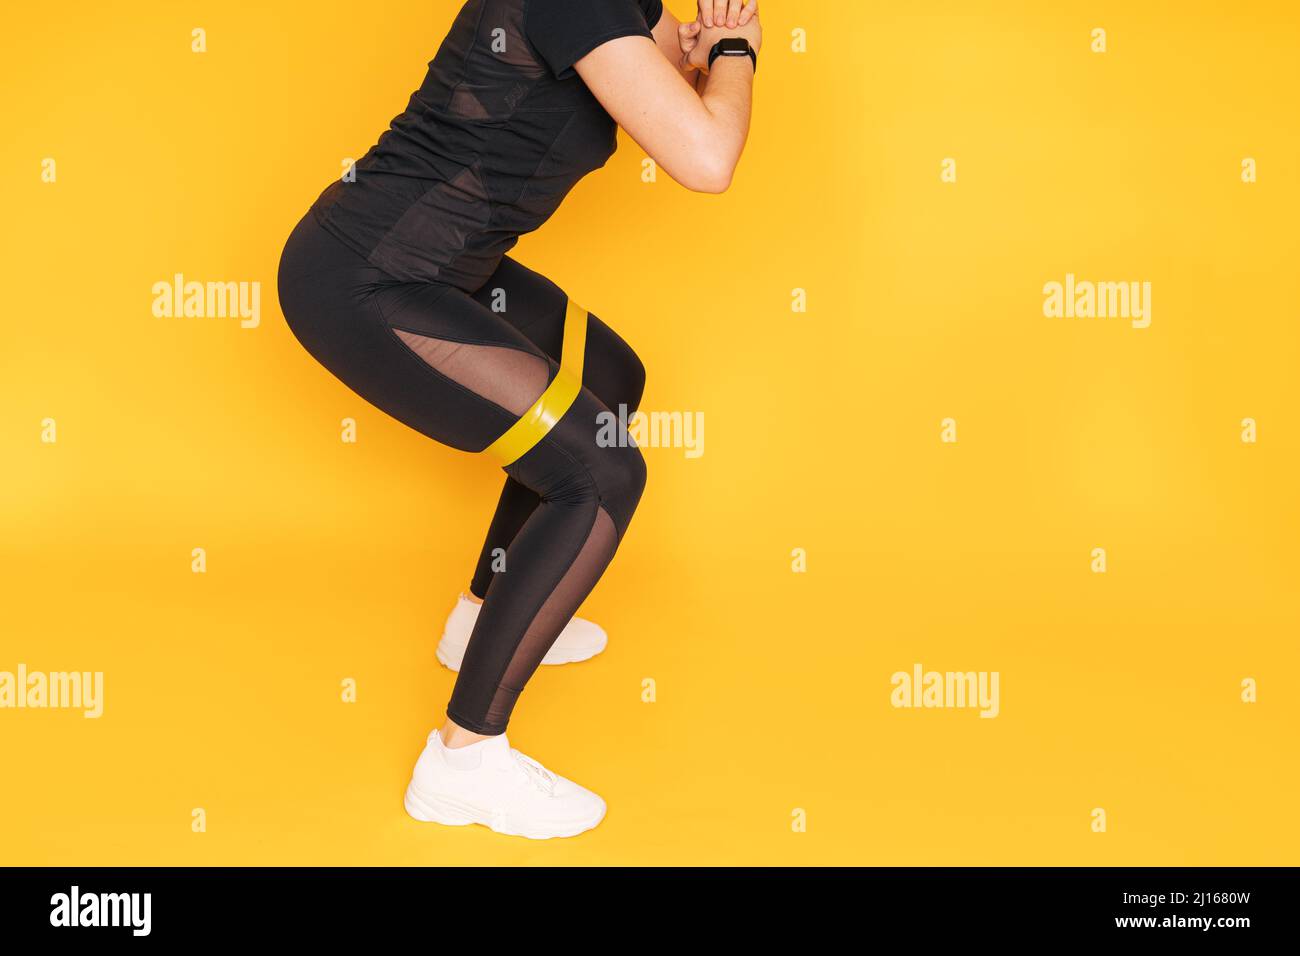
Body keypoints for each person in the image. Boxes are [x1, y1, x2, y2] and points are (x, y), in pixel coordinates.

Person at [277, 0, 760, 839]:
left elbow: (656, 73)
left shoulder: (612, 9)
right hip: (365, 280)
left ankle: (479, 617)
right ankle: (463, 759)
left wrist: (703, 48)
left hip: (447, 266)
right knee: (601, 473)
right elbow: (706, 156)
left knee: (607, 377)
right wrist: (734, 51)